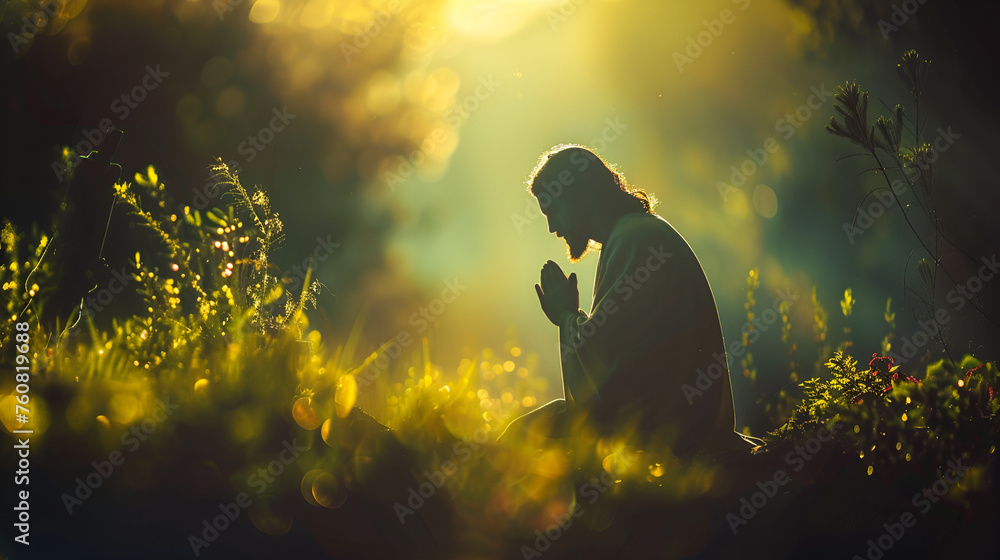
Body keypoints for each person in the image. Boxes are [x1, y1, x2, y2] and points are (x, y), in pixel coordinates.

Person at [503, 144, 740, 460]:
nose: (552, 227)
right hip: (670, 422)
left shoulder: (636, 239)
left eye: (553, 211)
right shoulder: (631, 235)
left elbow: (614, 367)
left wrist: (566, 316)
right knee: (530, 429)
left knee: (519, 442)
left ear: (579, 197)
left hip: (672, 435)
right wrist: (569, 318)